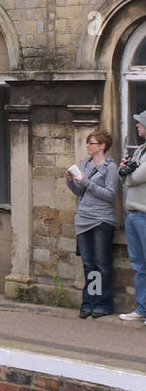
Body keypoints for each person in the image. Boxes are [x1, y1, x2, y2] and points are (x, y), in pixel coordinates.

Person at [65, 128, 119, 319]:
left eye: (91, 143)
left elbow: (111, 195)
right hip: (83, 220)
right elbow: (80, 192)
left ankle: (102, 304)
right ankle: (89, 301)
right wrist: (71, 181)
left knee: (101, 263)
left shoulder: (110, 168)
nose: (88, 146)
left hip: (101, 220)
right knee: (89, 264)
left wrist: (86, 182)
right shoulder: (85, 164)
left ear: (102, 146)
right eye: (87, 143)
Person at [119, 112, 146, 323]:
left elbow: (135, 177)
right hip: (133, 213)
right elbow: (126, 173)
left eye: (140, 123)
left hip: (144, 215)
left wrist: (127, 173)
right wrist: (126, 170)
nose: (137, 126)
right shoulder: (140, 150)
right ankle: (142, 309)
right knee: (138, 265)